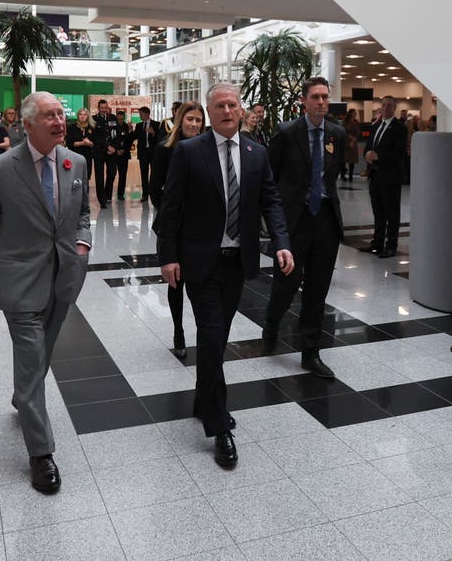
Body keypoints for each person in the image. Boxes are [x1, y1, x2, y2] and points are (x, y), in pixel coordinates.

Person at [155, 83, 293, 470]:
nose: (227, 110)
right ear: (209, 112)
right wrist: (167, 256)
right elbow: (171, 208)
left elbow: (271, 200)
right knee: (213, 336)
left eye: (233, 104)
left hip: (238, 262)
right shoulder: (188, 151)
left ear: (241, 109)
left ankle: (203, 398)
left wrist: (281, 241)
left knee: (218, 337)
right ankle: (219, 426)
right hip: (200, 262)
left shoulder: (255, 152)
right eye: (220, 105)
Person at [0, 92, 91, 495]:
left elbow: (83, 213)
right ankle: (41, 454)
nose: (60, 121)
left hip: (64, 277)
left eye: (61, 115)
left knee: (41, 358)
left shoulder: (76, 162)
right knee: (31, 358)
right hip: (19, 282)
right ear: (29, 124)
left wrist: (83, 244)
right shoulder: (1, 169)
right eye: (51, 116)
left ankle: (24, 398)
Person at [263, 78, 347, 379]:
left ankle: (310, 353)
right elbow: (270, 178)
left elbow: (331, 175)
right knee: (285, 285)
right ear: (304, 100)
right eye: (316, 97)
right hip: (294, 222)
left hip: (325, 220)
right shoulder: (287, 132)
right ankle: (271, 324)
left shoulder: (337, 133)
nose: (321, 102)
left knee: (317, 291)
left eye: (325, 97)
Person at [149, 101, 204, 358]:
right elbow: (155, 190)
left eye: (198, 120)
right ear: (180, 120)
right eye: (190, 119)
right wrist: (171, 217)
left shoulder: (208, 149)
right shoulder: (164, 149)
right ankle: (178, 330)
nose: (194, 124)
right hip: (174, 227)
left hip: (200, 227)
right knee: (176, 283)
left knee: (200, 282)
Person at [364, 96, 406, 257]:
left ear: (394, 108)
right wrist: (367, 155)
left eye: (389, 105)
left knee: (392, 213)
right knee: (378, 213)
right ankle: (377, 243)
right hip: (375, 177)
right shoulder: (376, 126)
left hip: (391, 178)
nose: (386, 108)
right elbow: (368, 147)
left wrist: (378, 156)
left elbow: (399, 153)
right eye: (383, 105)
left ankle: (391, 245)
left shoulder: (399, 128)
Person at [91, 99, 119, 207]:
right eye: (101, 108)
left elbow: (116, 134)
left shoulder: (112, 118)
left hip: (111, 152)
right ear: (98, 108)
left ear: (108, 108)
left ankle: (107, 195)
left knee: (112, 173)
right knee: (99, 176)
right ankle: (102, 200)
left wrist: (115, 148)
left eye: (105, 108)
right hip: (99, 151)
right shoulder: (93, 119)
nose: (103, 110)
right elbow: (95, 137)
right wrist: (108, 146)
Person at [65, 107, 95, 183]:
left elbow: (95, 143)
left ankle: (85, 194)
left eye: (84, 114)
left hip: (87, 156)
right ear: (77, 116)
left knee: (86, 178)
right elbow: (69, 143)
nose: (82, 116)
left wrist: (90, 144)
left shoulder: (92, 127)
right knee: (75, 178)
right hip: (75, 156)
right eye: (80, 114)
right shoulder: (72, 127)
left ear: (87, 116)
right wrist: (82, 143)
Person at [113, 110, 131, 200]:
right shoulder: (112, 126)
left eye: (121, 119)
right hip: (114, 154)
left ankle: (120, 194)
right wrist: (116, 150)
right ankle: (108, 195)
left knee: (123, 175)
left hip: (124, 155)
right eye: (118, 119)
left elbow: (129, 141)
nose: (120, 121)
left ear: (124, 118)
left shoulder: (127, 127)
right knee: (111, 174)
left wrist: (124, 150)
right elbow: (111, 140)